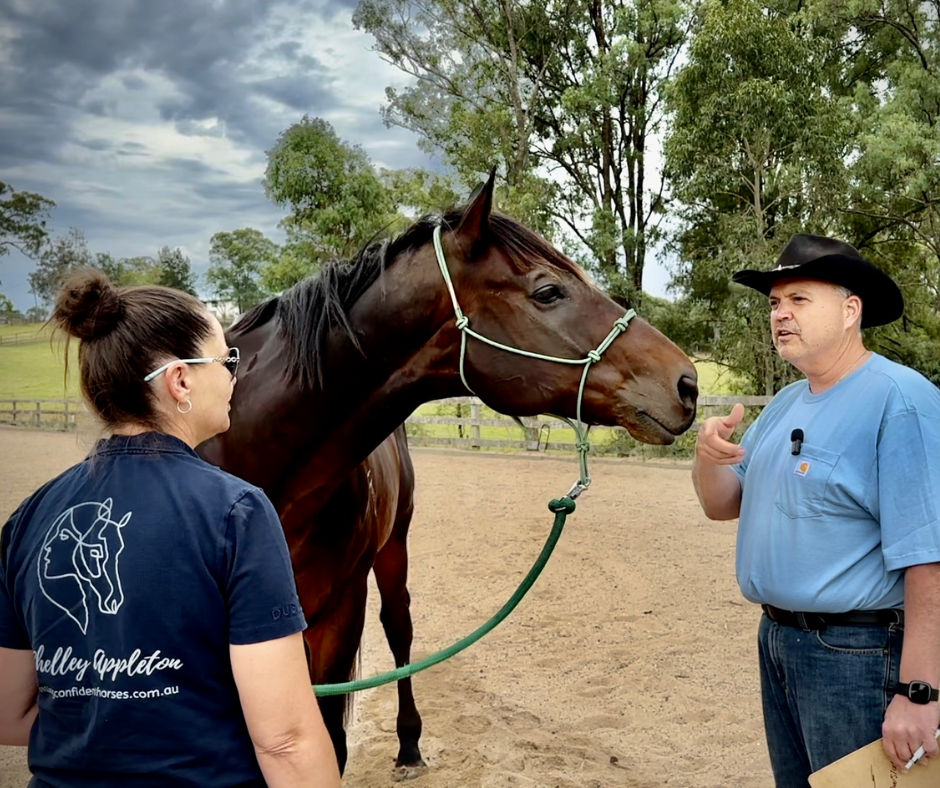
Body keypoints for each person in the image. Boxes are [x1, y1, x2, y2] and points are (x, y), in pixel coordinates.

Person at [0, 269, 341, 788]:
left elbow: (8, 715)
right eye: (226, 360)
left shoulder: (29, 517)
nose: (234, 376)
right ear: (180, 380)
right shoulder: (237, 513)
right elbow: (286, 741)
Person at [692, 234, 940, 786]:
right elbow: (722, 503)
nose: (780, 314)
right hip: (779, 642)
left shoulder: (899, 401)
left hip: (856, 653)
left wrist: (919, 692)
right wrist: (709, 457)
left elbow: (930, 559)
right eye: (775, 303)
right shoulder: (785, 404)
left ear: (851, 310)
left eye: (799, 299)